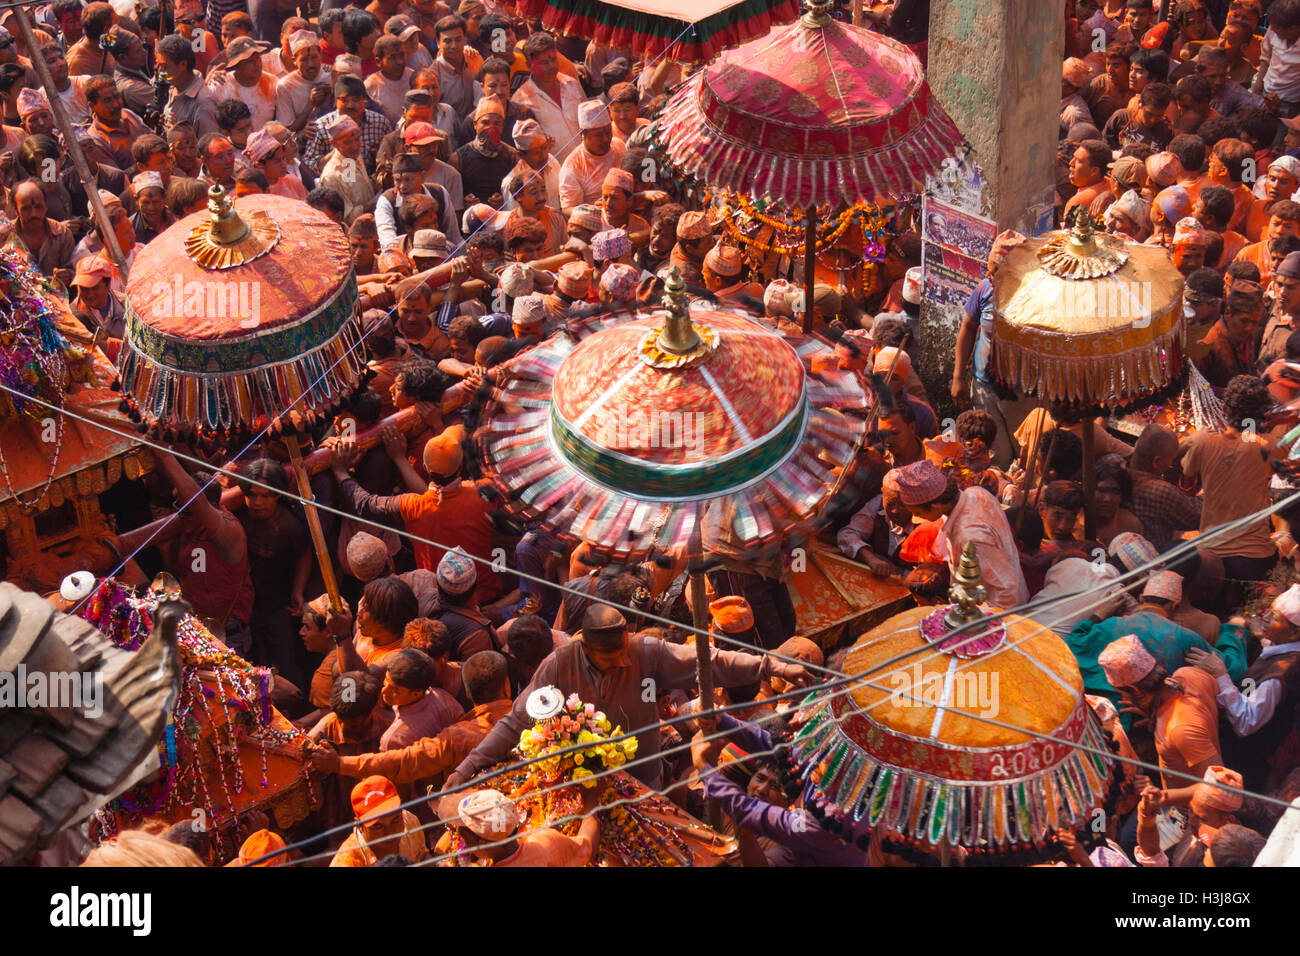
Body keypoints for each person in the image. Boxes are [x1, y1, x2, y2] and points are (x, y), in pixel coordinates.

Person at [446, 604, 812, 790]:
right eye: (611, 656)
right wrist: (467, 767)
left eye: (624, 650)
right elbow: (516, 721)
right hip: (584, 786)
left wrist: (771, 666)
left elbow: (711, 662)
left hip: (644, 781)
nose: (623, 660)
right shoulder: (558, 666)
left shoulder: (646, 651)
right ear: (585, 646)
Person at [310, 649, 513, 789]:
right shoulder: (446, 701)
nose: (385, 691)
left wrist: (339, 764)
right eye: (385, 683)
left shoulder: (395, 737)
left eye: (394, 688)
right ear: (507, 686)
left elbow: (401, 765)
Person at [894, 460, 1029, 609]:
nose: (915, 517)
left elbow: (1008, 593)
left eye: (918, 512)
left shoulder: (970, 537)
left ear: (936, 506)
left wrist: (967, 620)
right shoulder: (975, 493)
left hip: (998, 616)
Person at [448, 785, 601, 866]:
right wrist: (590, 801)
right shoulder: (546, 840)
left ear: (481, 843)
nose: (464, 845)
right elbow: (588, 849)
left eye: (466, 840)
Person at [329, 775, 428, 866]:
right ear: (360, 826)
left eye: (395, 820)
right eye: (378, 826)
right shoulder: (347, 862)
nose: (390, 832)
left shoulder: (409, 820)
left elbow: (422, 856)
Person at [558, 99, 625, 215]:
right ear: (583, 134)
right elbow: (567, 209)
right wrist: (591, 209)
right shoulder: (572, 167)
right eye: (598, 135)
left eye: (608, 132)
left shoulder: (619, 145)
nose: (605, 139)